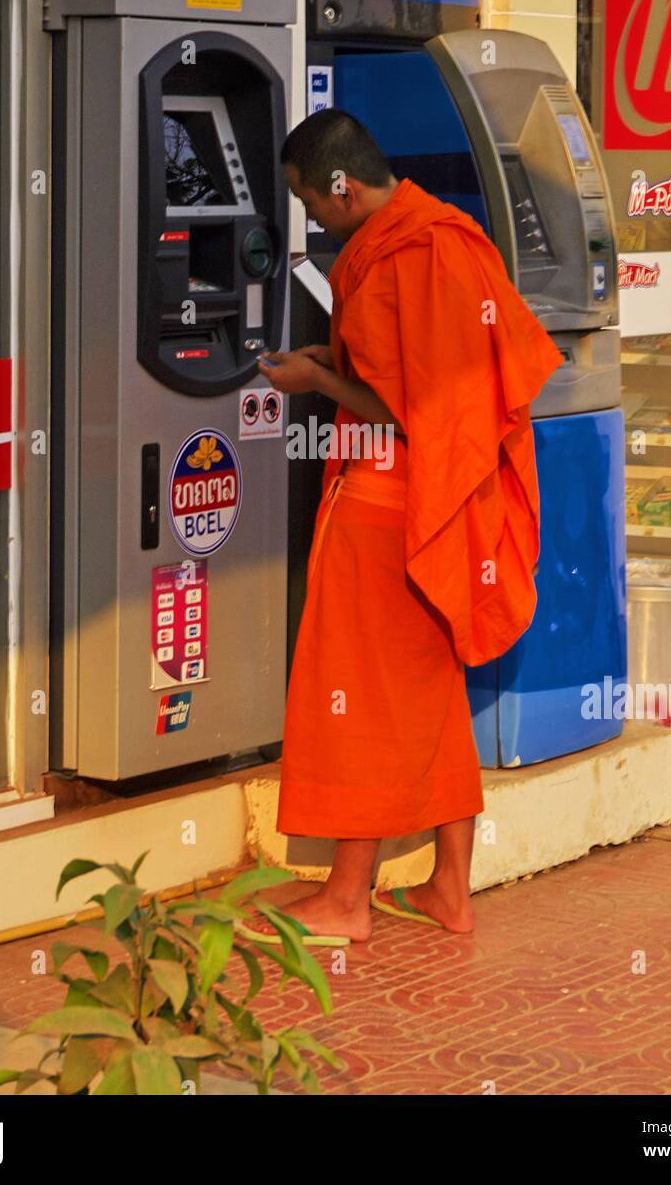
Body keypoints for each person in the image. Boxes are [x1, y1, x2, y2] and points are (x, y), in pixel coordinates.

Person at [255, 108, 563, 945]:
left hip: (391, 506)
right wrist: (330, 364)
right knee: (429, 695)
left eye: (310, 202)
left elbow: (399, 407)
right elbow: (442, 381)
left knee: (365, 698)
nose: (311, 219)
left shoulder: (397, 260)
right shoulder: (449, 234)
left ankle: (347, 899)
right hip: (452, 501)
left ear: (343, 188)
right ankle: (449, 889)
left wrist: (312, 385)